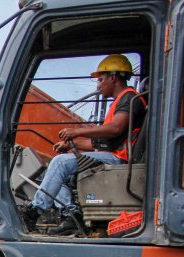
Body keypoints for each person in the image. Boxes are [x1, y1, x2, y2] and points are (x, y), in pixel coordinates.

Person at [20, 54, 146, 235]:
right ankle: (71, 214)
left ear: (114, 77)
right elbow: (101, 143)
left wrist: (77, 132)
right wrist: (73, 145)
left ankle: (35, 210)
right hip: (114, 155)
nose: (98, 85)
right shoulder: (120, 103)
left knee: (61, 163)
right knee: (54, 171)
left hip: (121, 159)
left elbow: (115, 129)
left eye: (101, 79)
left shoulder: (129, 98)